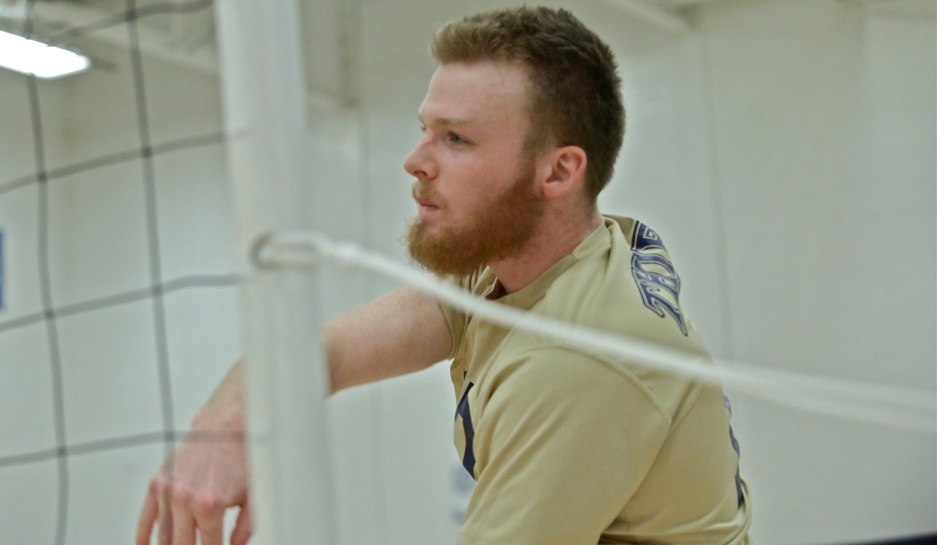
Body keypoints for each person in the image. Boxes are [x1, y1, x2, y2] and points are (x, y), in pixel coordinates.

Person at [136, 6, 752, 545]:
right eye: (425, 130)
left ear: (560, 173)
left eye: (455, 139)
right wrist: (219, 428)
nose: (415, 162)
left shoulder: (579, 357)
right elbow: (330, 352)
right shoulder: (526, 265)